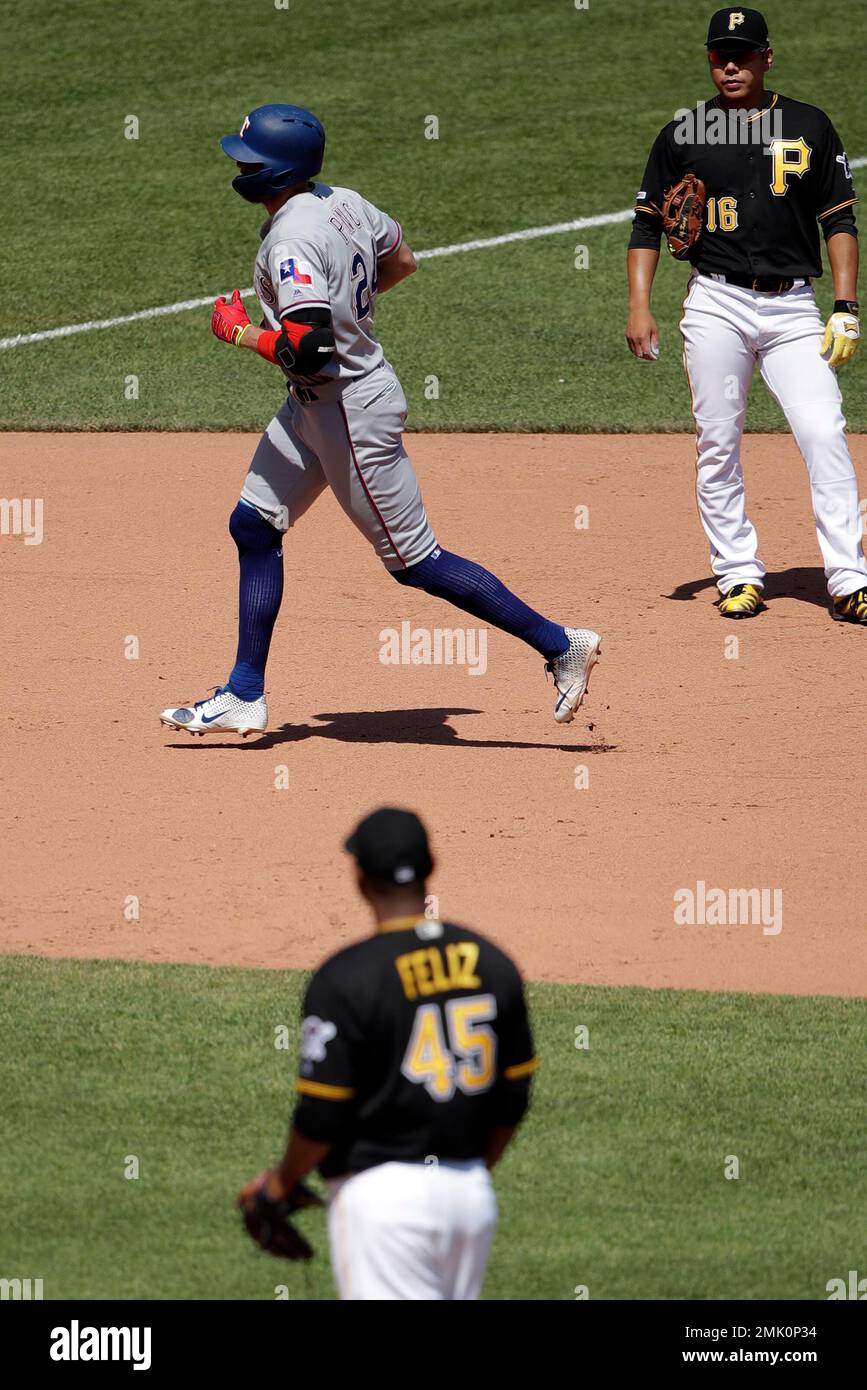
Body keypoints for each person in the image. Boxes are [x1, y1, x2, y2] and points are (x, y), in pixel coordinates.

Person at [160, 103, 601, 737]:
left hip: (349, 411)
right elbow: (402, 260)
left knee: (415, 562)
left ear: (277, 170)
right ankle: (243, 692)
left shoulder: (292, 238)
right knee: (253, 524)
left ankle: (561, 645)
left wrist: (240, 333)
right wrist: (343, 316)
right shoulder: (343, 201)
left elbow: (308, 346)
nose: (239, 166)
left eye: (249, 159)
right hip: (313, 406)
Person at [237, 806, 537, 1300]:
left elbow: (321, 1113)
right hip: (471, 1198)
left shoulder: (345, 978)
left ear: (360, 878)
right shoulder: (493, 963)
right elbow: (514, 1095)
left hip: (384, 1203)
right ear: (430, 867)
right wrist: (474, 1171)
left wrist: (280, 1184)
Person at [626, 8, 866, 623]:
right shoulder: (684, 132)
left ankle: (847, 578)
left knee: (823, 433)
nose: (729, 65)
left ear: (767, 56)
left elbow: (838, 218)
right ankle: (737, 572)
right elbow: (647, 225)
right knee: (719, 439)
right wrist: (639, 306)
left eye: (742, 53)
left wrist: (845, 306)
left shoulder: (809, 124)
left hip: (792, 307)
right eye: (718, 54)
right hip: (716, 302)